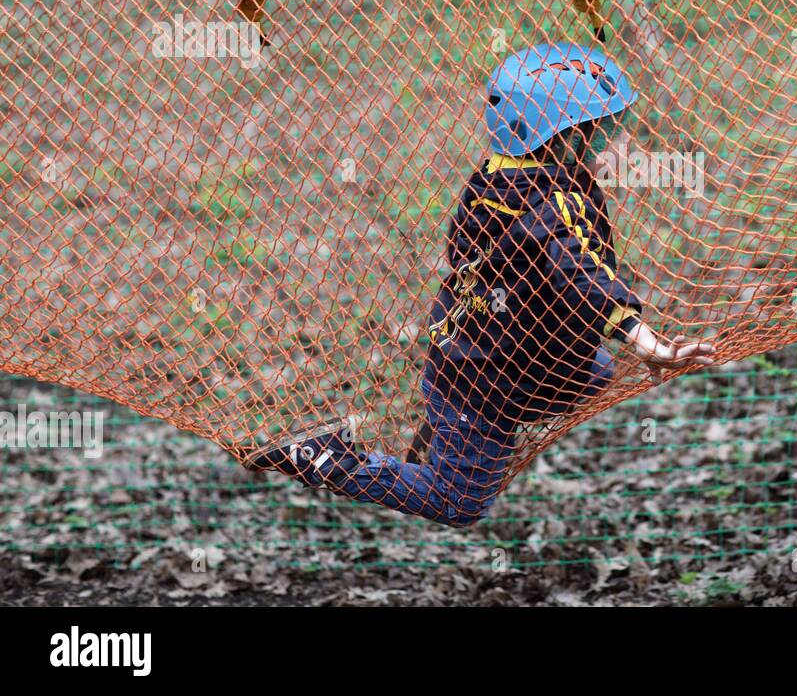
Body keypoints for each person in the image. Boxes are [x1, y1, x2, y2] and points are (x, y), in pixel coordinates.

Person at [245, 43, 715, 525]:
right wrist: (646, 340)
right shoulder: (553, 209)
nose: (625, 145)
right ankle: (327, 459)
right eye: (610, 134)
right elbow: (585, 279)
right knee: (458, 504)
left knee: (594, 371)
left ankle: (441, 432)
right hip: (482, 387)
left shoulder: (495, 178)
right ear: (567, 137)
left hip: (486, 349)